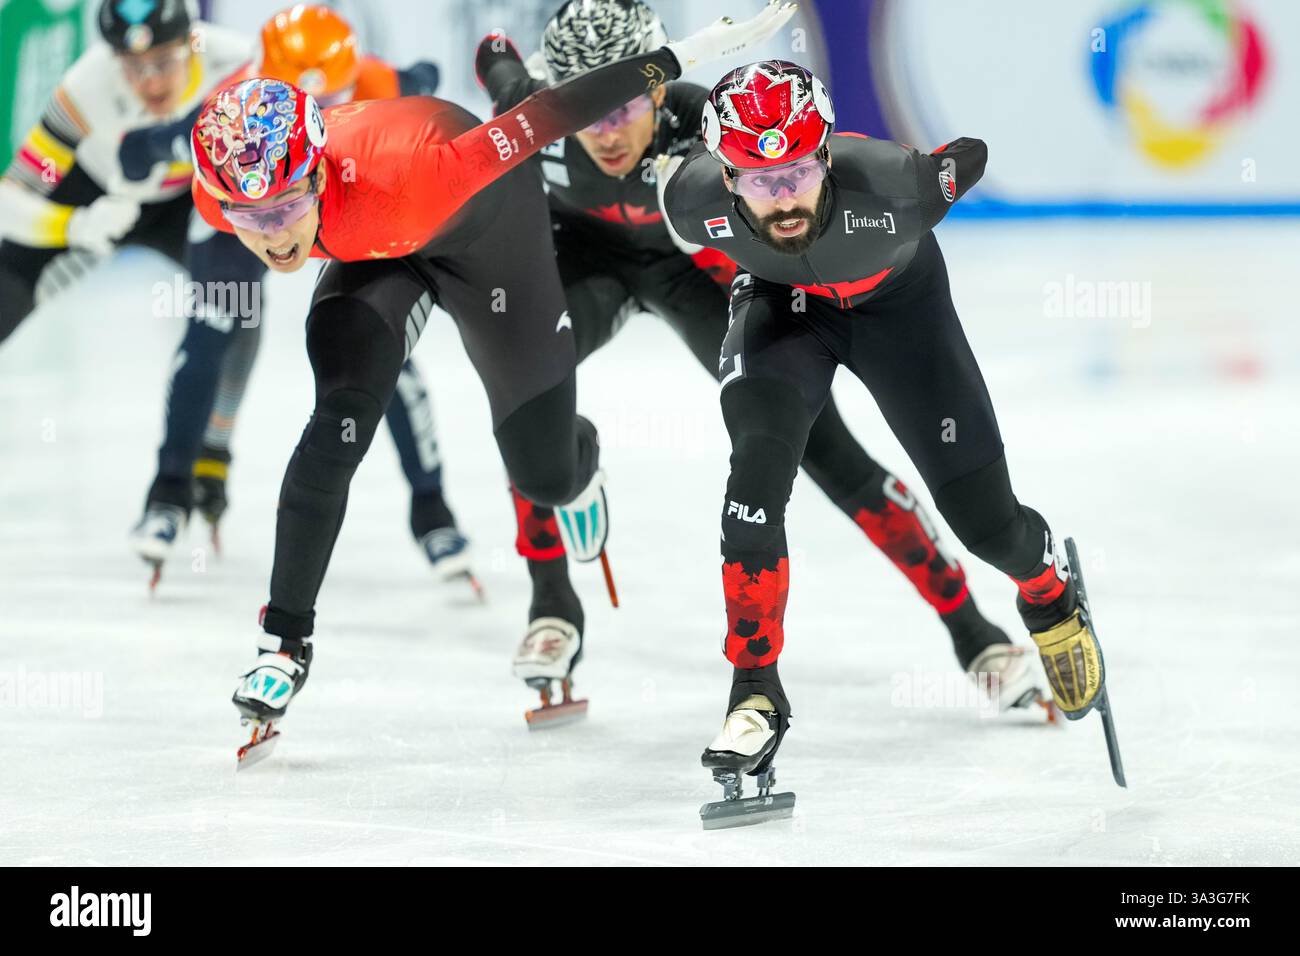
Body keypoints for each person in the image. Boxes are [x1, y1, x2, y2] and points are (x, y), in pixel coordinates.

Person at [180, 4, 799, 762]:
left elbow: (554, 110)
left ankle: (580, 465)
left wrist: (689, 51)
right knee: (337, 424)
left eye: (286, 205)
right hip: (381, 249)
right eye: (250, 215)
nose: (274, 235)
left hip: (484, 232)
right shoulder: (223, 185)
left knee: (542, 473)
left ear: (316, 171)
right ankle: (284, 642)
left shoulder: (429, 170)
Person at [474, 0, 1038, 718]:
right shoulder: (539, 119)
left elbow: (800, 180)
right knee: (524, 390)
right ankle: (552, 604)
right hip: (589, 266)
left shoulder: (709, 127)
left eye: (623, 110)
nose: (606, 134)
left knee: (827, 454)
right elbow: (492, 51)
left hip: (694, 280)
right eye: (588, 113)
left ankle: (975, 632)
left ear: (654, 88)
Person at [660, 60, 1107, 791]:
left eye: (801, 170)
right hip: (785, 311)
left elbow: (973, 155)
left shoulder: (898, 188)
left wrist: (943, 169)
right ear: (726, 175)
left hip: (902, 314)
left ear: (828, 152)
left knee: (987, 527)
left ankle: (1047, 588)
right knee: (753, 482)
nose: (785, 197)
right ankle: (755, 689)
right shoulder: (689, 203)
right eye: (761, 179)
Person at [120, 3, 471, 585]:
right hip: (251, 219)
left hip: (342, 208)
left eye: (335, 103)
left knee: (387, 356)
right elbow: (157, 147)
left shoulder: (378, 81)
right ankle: (170, 491)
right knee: (212, 331)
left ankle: (432, 508)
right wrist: (153, 147)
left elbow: (422, 80)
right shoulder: (232, 110)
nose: (321, 119)